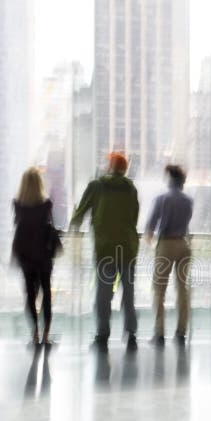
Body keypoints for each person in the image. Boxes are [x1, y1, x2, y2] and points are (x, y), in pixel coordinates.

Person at [69, 151, 139, 352]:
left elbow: (80, 212)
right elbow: (134, 216)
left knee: (103, 294)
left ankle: (102, 334)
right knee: (129, 294)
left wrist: (75, 222)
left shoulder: (97, 186)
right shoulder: (131, 188)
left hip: (105, 248)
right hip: (127, 248)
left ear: (109, 166)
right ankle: (131, 334)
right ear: (124, 169)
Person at [145, 165, 193, 348]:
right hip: (183, 245)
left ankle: (159, 333)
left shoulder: (161, 199)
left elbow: (150, 226)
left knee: (159, 290)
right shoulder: (188, 201)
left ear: (169, 179)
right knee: (182, 290)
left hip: (166, 245)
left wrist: (149, 242)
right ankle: (181, 333)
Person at [12, 167, 56, 346]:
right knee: (46, 293)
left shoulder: (17, 204)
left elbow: (18, 225)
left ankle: (35, 334)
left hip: (25, 255)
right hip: (44, 255)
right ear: (40, 183)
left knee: (30, 294)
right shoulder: (47, 204)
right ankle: (46, 335)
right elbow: (49, 225)